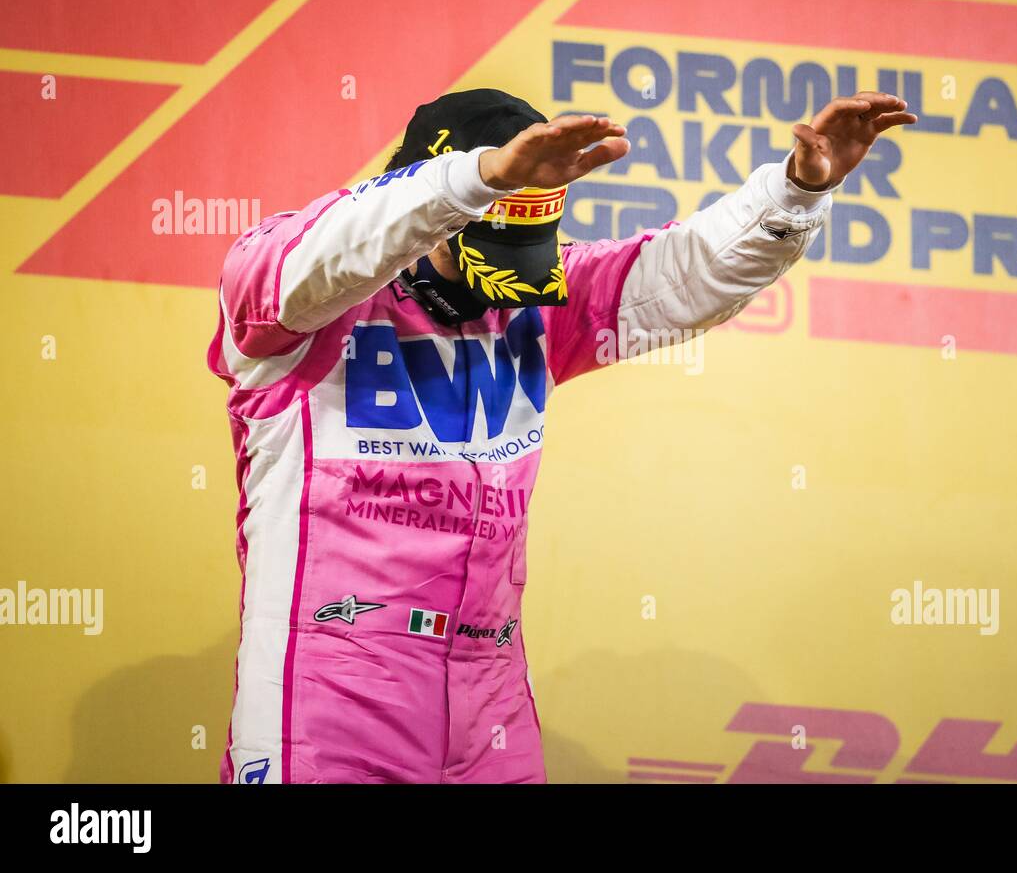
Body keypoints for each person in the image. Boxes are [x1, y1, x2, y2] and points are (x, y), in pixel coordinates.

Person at [208, 86, 916, 783]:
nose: (507, 280)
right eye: (490, 237)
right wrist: (480, 178)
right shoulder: (290, 304)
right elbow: (322, 254)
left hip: (489, 692)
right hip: (331, 682)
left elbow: (684, 271)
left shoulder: (533, 307)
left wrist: (794, 195)